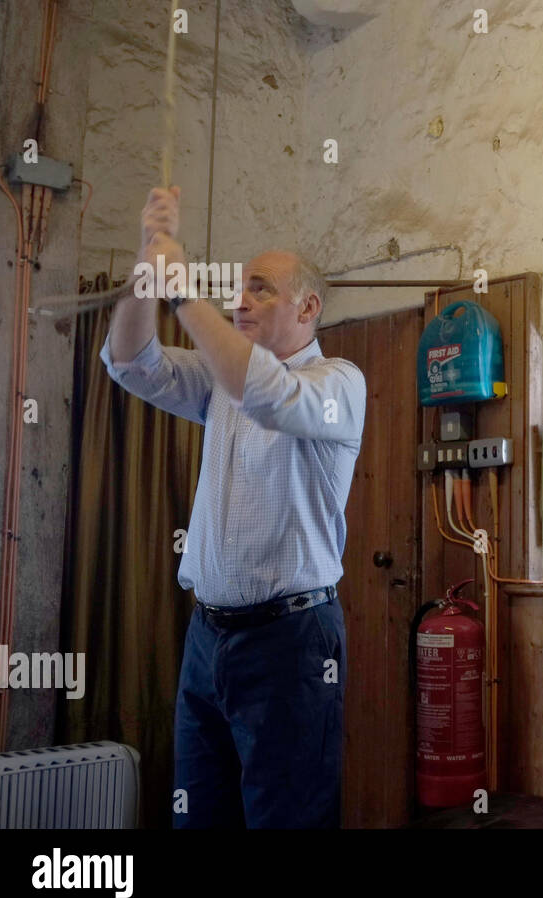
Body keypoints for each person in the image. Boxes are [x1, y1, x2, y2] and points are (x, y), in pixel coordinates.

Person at [100, 186, 365, 828]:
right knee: (200, 817)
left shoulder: (338, 384)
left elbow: (265, 392)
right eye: (240, 288)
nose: (242, 300)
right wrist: (146, 270)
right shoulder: (222, 379)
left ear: (309, 307)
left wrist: (184, 291)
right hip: (207, 638)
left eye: (261, 289)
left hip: (291, 644)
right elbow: (130, 362)